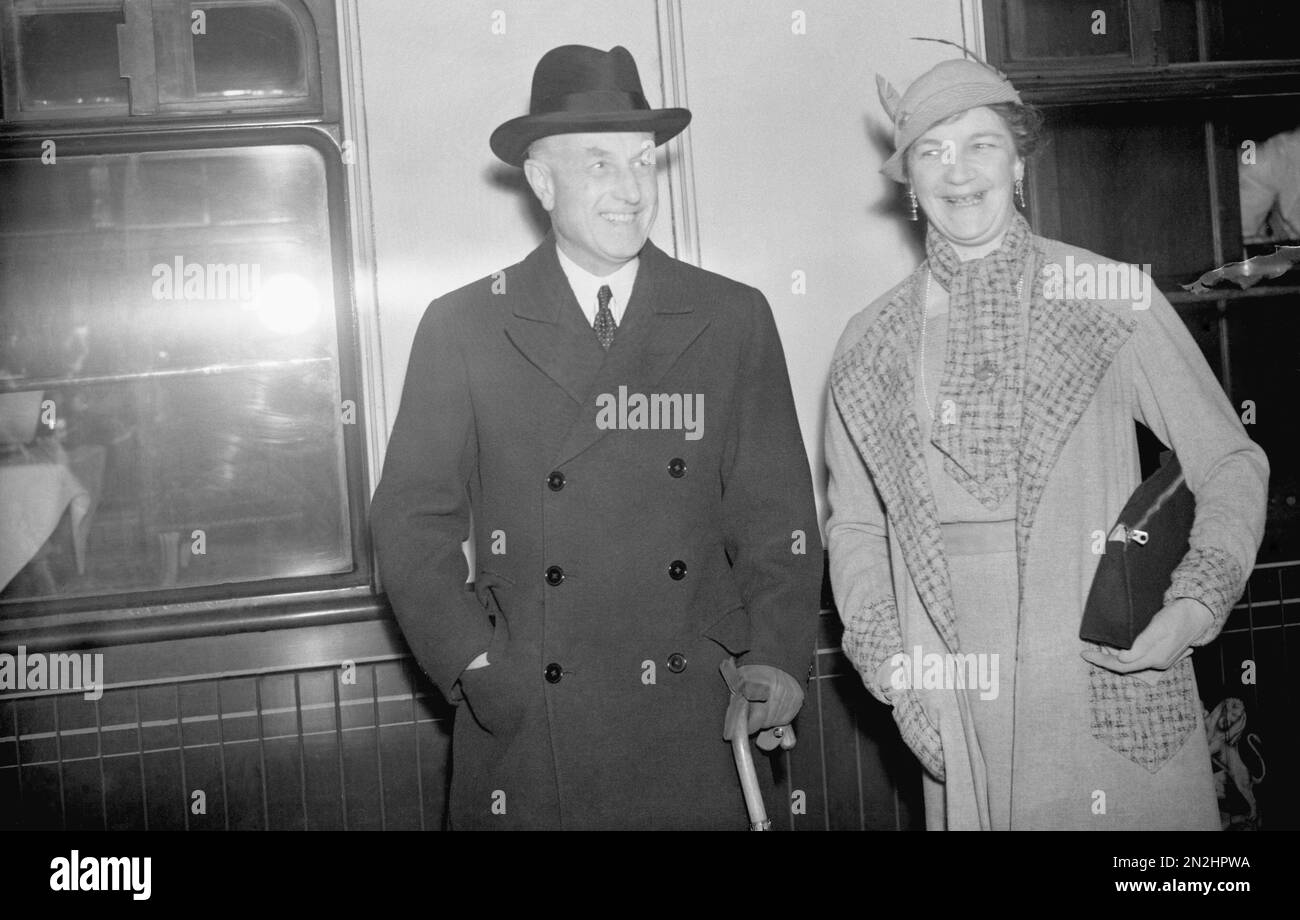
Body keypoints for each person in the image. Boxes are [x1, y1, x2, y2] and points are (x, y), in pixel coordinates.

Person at [370, 45, 821, 830]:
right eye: (600, 164)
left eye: (643, 163)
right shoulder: (466, 325)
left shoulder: (731, 315)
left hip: (697, 720)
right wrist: (479, 664)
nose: (630, 189)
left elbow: (776, 516)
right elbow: (409, 525)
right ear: (541, 181)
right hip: (532, 734)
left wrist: (777, 659)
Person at [824, 58, 1269, 830]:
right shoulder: (869, 343)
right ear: (908, 183)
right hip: (956, 681)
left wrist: (1195, 606)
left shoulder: (1107, 295)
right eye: (932, 152)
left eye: (981, 145)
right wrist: (898, 675)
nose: (958, 173)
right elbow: (856, 530)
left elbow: (1230, 461)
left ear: (1020, 161)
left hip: (1096, 664)